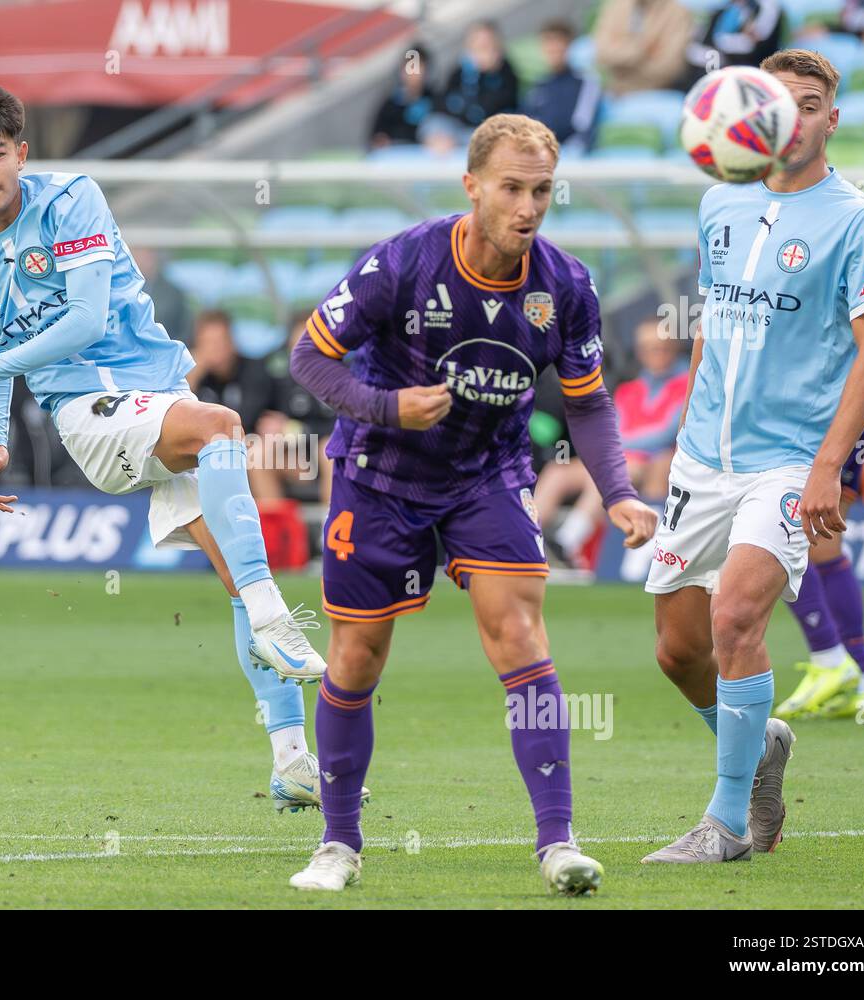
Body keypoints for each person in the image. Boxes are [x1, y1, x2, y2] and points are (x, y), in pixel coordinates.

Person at [0, 82, 363, 813]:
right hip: (91, 413)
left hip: (154, 388)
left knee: (234, 565)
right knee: (225, 429)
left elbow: (85, 316)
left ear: (22, 154)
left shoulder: (70, 201)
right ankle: (271, 616)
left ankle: (291, 759)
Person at [285, 114, 657, 894]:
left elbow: (587, 404)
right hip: (380, 477)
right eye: (512, 188)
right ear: (472, 185)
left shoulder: (567, 287)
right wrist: (386, 408)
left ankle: (558, 841)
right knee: (357, 657)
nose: (528, 207)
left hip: (487, 476)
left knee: (520, 635)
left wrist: (618, 493)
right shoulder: (404, 263)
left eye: (542, 190)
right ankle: (339, 844)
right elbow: (309, 356)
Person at [644, 49, 864, 863]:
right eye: (778, 100)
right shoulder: (720, 201)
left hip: (789, 459)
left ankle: (725, 825)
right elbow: (711, 323)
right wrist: (688, 429)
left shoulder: (862, 221)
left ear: (830, 119)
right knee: (678, 651)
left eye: (812, 100)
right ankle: (758, 743)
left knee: (736, 619)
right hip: (702, 461)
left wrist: (829, 464)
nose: (795, 113)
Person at [773, 320, 864, 721]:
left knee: (780, 533)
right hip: (807, 399)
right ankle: (860, 682)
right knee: (820, 545)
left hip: (835, 404)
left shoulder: (846, 255)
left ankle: (831, 658)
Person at [535, 318, 688, 566]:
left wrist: (619, 447)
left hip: (654, 463)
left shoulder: (686, 385)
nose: (654, 355)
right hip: (621, 458)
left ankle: (568, 540)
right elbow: (612, 429)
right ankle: (525, 540)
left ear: (674, 348)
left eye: (661, 347)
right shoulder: (631, 388)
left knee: (613, 470)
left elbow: (668, 433)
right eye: (647, 348)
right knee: (557, 471)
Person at [250, 311, 336, 504]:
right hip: (294, 459)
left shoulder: (339, 376)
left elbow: (345, 426)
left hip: (327, 456)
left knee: (329, 450)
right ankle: (275, 531)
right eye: (299, 344)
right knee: (258, 453)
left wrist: (295, 429)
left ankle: (330, 530)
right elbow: (261, 419)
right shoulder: (277, 377)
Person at [184, 309, 273, 434]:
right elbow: (181, 420)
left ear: (232, 342)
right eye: (208, 343)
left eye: (220, 342)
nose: (215, 349)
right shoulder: (194, 376)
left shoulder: (255, 372)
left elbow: (246, 422)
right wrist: (191, 378)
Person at [520, 20, 600, 154]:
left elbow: (581, 125)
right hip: (539, 148)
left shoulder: (585, 81)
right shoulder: (540, 84)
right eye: (548, 43)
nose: (553, 49)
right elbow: (525, 118)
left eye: (557, 43)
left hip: (570, 150)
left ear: (569, 46)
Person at [593, 0, 693, 95]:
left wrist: (621, 61)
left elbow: (670, 67)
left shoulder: (678, 12)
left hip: (654, 93)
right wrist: (642, 51)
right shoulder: (618, 4)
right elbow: (601, 53)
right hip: (613, 91)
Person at [439, 23, 519, 131]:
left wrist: (489, 73)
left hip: (493, 128)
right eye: (477, 41)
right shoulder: (460, 70)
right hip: (460, 126)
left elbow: (502, 103)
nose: (482, 45)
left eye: (486, 42)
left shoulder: (505, 71)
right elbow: (445, 101)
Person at [369, 44, 438, 148]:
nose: (413, 74)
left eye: (418, 68)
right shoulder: (391, 103)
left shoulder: (435, 100)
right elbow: (377, 135)